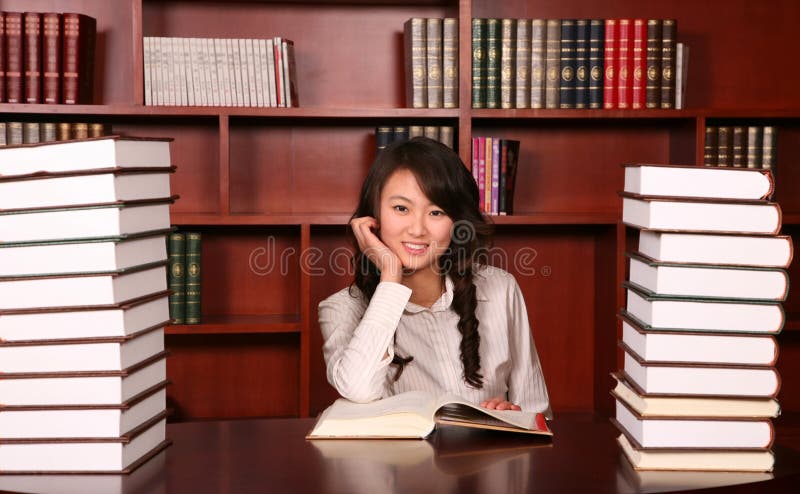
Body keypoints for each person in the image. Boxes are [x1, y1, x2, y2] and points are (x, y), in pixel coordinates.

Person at [318, 137, 551, 417]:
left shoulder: (500, 289)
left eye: (436, 212)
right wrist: (390, 275)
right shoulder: (340, 308)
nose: (417, 229)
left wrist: (514, 417)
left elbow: (538, 412)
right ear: (373, 215)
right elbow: (358, 389)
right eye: (401, 208)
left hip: (489, 448)